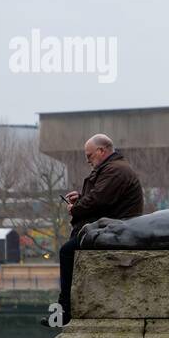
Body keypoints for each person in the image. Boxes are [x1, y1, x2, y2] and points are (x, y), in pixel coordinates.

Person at [50, 134, 143, 326]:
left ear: (102, 151)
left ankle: (65, 309)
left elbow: (99, 200)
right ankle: (66, 308)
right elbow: (101, 198)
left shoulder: (115, 171)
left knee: (67, 252)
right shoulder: (114, 169)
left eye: (90, 156)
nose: (88, 161)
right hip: (114, 226)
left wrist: (75, 208)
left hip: (116, 230)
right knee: (71, 249)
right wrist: (82, 197)